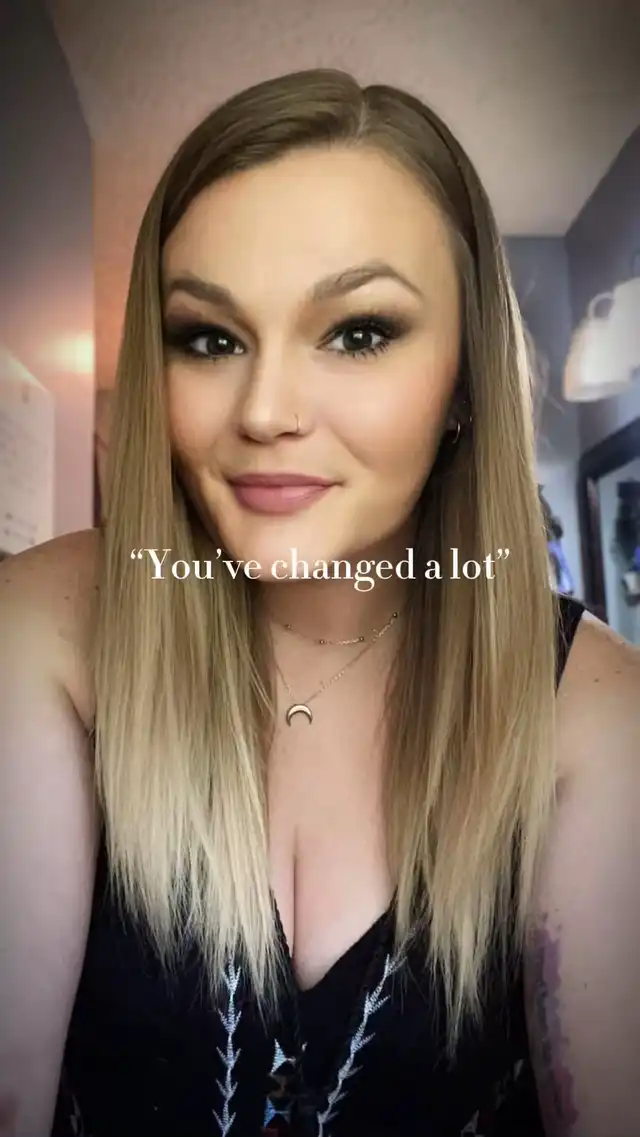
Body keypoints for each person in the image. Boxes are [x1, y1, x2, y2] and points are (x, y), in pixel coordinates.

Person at [1, 69, 638, 1137]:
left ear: (465, 380)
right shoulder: (44, 628)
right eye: (211, 337)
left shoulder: (596, 713)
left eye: (357, 332)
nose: (264, 411)